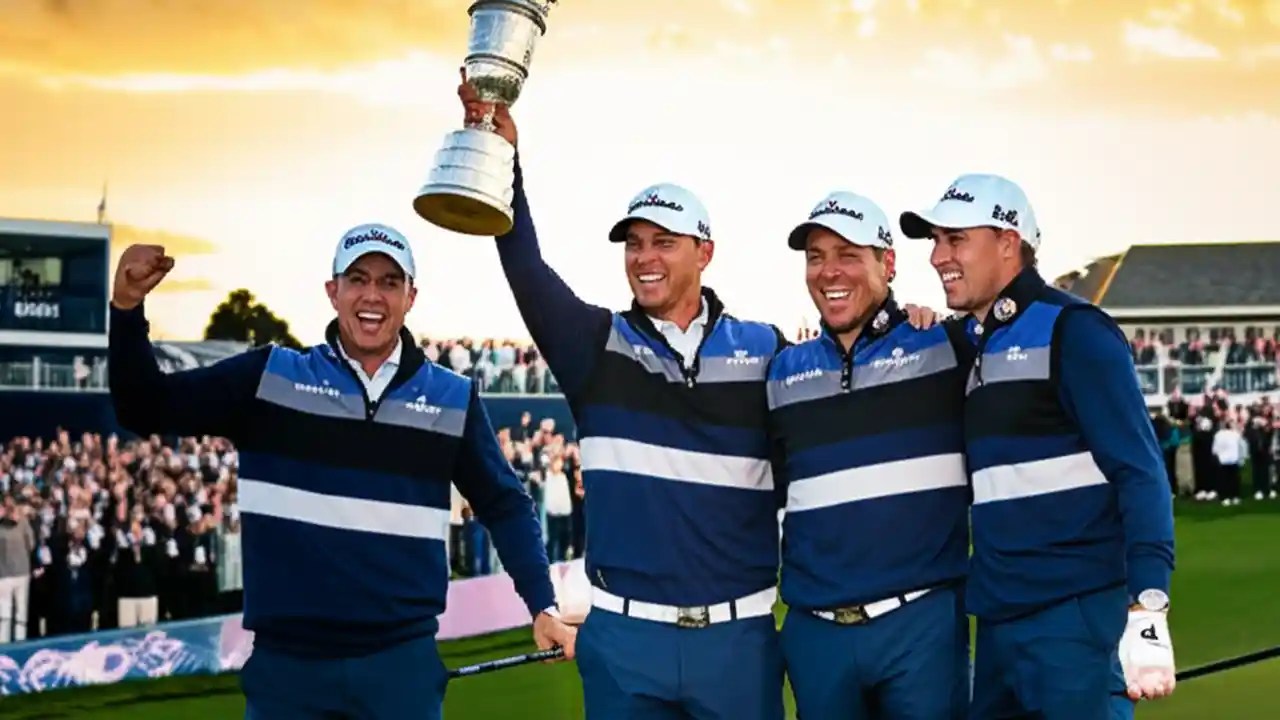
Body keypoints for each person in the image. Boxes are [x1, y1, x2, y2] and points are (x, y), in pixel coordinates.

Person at [106, 225, 575, 720]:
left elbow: (505, 504)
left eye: (390, 282)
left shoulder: (451, 396)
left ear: (410, 297)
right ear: (333, 291)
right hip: (289, 672)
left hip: (401, 668)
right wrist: (126, 309)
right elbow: (143, 408)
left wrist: (541, 604)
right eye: (358, 279)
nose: (372, 295)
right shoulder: (269, 377)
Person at [459, 76, 788, 719]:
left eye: (663, 242)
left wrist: (903, 316)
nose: (644, 258)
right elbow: (526, 265)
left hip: (739, 639)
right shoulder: (594, 346)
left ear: (706, 252)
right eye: (634, 244)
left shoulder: (767, 349)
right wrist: (504, 158)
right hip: (625, 639)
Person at [900, 174, 1177, 719]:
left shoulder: (1075, 331)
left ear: (1008, 243)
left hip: (1072, 617)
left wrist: (1148, 606)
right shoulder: (968, 341)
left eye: (955, 240)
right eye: (935, 241)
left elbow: (1140, 472)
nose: (937, 257)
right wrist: (907, 322)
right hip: (1000, 617)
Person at [767, 191, 972, 719]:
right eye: (816, 257)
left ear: (889, 263)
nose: (829, 271)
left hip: (919, 624)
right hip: (817, 633)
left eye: (848, 254)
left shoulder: (944, 346)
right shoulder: (783, 371)